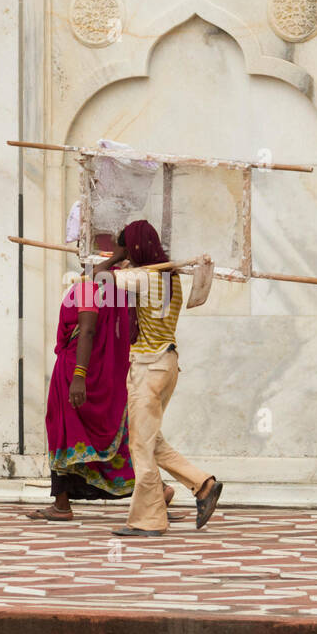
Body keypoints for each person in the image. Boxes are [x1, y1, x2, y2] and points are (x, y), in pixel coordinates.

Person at [96, 220, 223, 537]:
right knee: (151, 440)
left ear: (133, 248)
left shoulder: (142, 277)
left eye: (124, 246)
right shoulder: (170, 277)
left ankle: (148, 520)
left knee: (139, 445)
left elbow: (97, 277)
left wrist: (114, 257)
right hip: (166, 365)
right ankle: (202, 483)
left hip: (148, 369)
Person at [27, 270, 140, 522]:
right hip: (83, 371)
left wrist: (79, 376)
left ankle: (62, 504)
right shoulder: (114, 296)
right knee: (75, 435)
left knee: (63, 433)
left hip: (73, 373)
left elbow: (87, 331)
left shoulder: (87, 289)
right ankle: (155, 492)